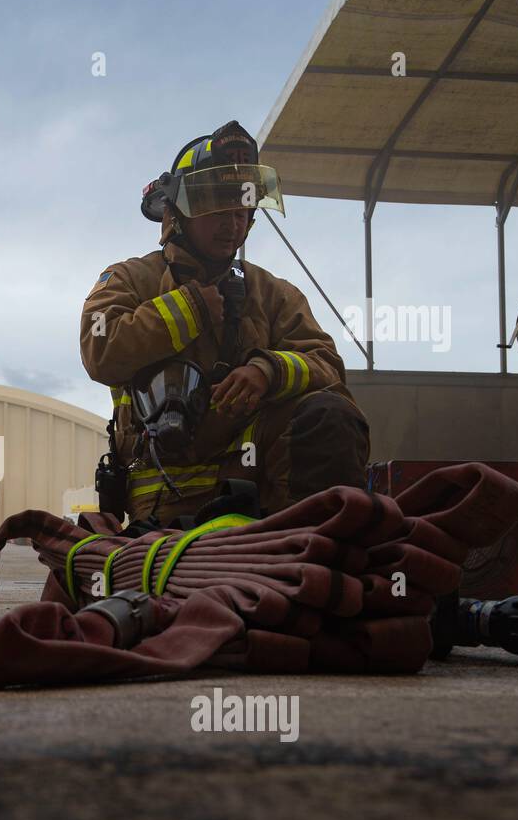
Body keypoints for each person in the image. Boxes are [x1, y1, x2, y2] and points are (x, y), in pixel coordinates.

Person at [81, 120, 370, 525]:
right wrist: (191, 309)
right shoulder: (130, 279)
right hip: (165, 506)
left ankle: (323, 551)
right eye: (217, 206)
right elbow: (100, 350)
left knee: (330, 412)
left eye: (241, 210)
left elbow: (325, 363)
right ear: (178, 211)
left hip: (256, 501)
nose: (232, 223)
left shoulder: (272, 294)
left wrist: (267, 370)